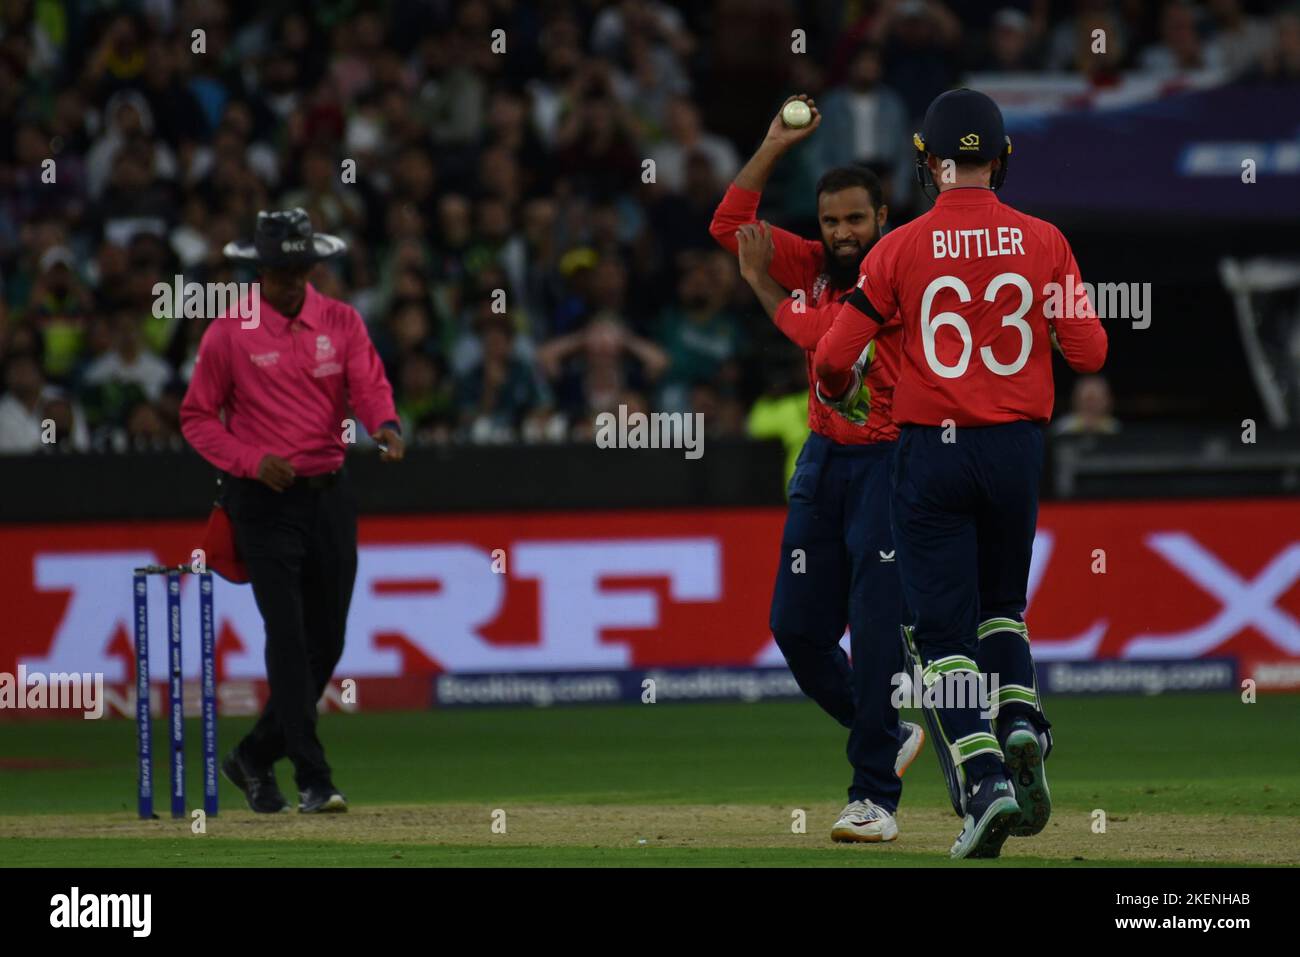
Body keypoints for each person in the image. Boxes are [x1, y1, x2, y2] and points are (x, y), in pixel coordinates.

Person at [814, 89, 1107, 858]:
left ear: (926, 163)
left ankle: (984, 784)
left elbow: (833, 358)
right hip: (1015, 449)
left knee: (941, 630)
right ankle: (1020, 718)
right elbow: (1092, 353)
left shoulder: (897, 248)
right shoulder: (1045, 241)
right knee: (1003, 606)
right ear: (1002, 159)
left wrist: (836, 390)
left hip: (931, 455)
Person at [709, 95, 923, 844]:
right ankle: (889, 735)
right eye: (830, 222)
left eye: (855, 220)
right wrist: (771, 143)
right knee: (795, 626)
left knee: (872, 634)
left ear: (882, 218)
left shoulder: (898, 270)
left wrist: (764, 288)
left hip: (889, 464)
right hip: (824, 461)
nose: (840, 235)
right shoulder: (814, 260)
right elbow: (731, 228)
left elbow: (823, 335)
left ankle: (874, 797)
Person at [180, 208, 405, 814]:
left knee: (325, 642)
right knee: (287, 635)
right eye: (280, 270)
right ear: (259, 269)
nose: (290, 279)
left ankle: (253, 756)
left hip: (330, 493)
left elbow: (369, 383)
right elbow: (196, 417)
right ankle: (314, 775)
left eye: (300, 268)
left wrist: (382, 423)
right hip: (263, 502)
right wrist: (252, 461)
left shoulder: (341, 320)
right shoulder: (228, 332)